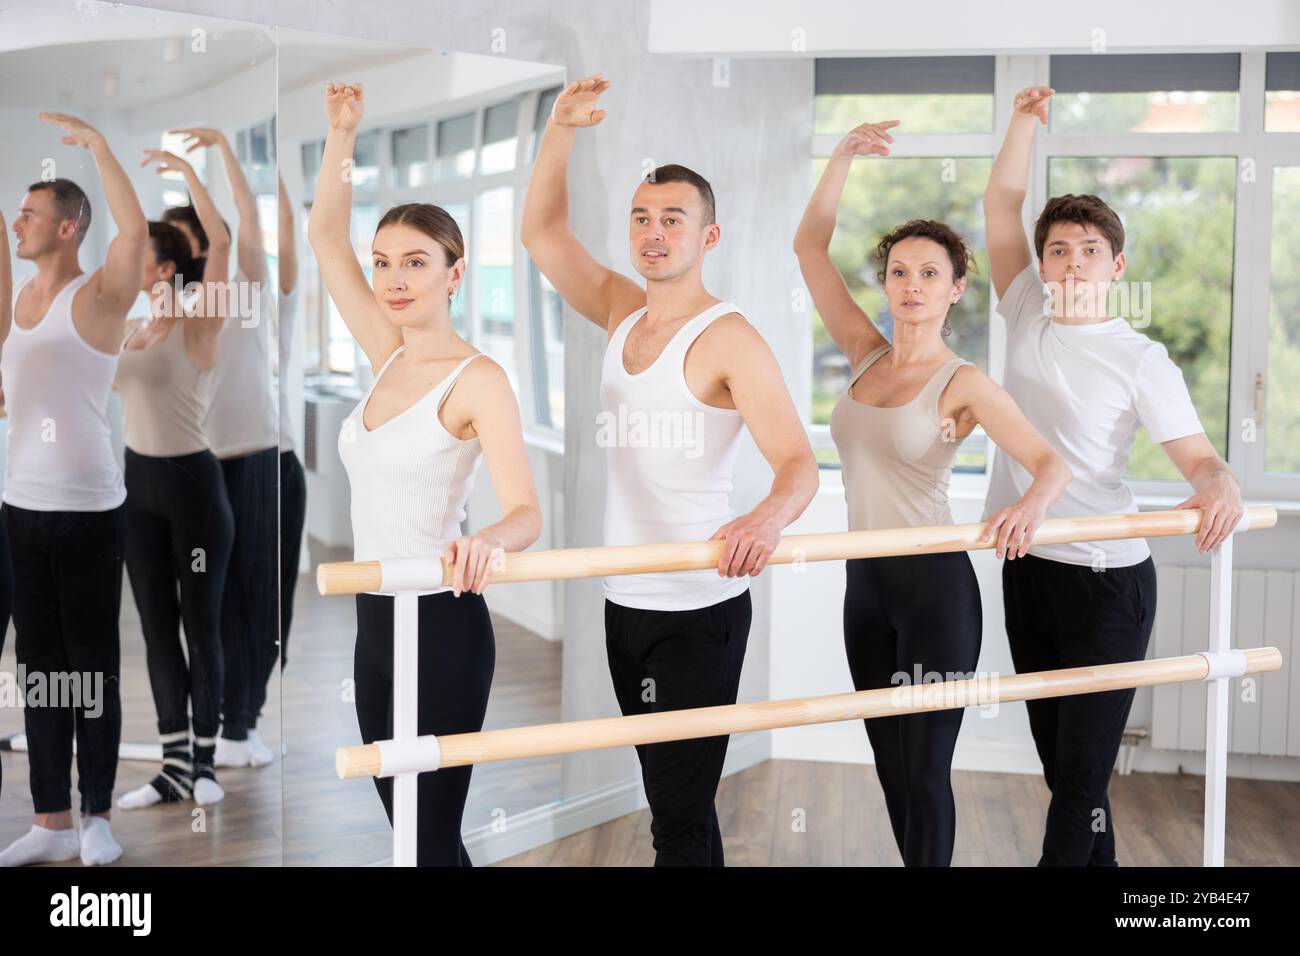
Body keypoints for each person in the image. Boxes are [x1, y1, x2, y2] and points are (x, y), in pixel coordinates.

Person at [522, 73, 820, 866]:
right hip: (626, 598)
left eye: (674, 220)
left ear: (708, 237)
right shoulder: (623, 310)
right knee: (670, 800)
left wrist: (765, 518)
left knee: (679, 815)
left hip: (700, 606)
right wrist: (560, 130)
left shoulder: (731, 338)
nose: (654, 232)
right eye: (641, 218)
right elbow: (544, 237)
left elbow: (798, 463)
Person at [795, 119, 1072, 866]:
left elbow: (1050, 464)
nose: (911, 287)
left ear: (957, 287)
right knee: (890, 768)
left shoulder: (965, 382)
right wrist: (842, 158)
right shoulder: (862, 353)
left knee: (924, 769)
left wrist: (1030, 507)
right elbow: (809, 251)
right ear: (885, 283)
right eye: (899, 273)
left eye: (929, 275)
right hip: (866, 592)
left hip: (935, 595)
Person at [983, 86, 1244, 866]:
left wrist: (1221, 481)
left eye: (1088, 250)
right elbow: (1000, 200)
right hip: (1029, 573)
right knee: (1068, 774)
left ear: (1116, 264)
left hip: (1106, 584)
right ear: (1041, 263)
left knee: (1079, 779)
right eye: (1057, 248)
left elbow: (1197, 455)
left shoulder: (1141, 358)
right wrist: (1025, 118)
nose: (1069, 261)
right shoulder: (1025, 304)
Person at [309, 82, 541, 866]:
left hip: (441, 627)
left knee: (431, 832)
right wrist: (343, 133)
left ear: (455, 273)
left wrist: (489, 545)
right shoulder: (387, 356)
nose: (394, 278)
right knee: (407, 833)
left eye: (415, 262)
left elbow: (524, 512)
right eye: (384, 264)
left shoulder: (478, 379)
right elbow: (324, 238)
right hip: (374, 625)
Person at [0, 112, 148, 867]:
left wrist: (99, 145)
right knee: (40, 667)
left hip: (90, 510)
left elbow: (133, 236)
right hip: (20, 508)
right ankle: (50, 818)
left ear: (66, 229)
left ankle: (97, 816)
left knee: (89, 666)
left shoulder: (96, 297)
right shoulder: (16, 298)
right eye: (18, 214)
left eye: (31, 214)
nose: (19, 221)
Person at [113, 148, 234, 809]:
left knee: (200, 626)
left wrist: (187, 173)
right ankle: (172, 766)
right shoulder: (127, 331)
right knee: (158, 631)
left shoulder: (199, 320)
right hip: (137, 492)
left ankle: (207, 765)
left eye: (137, 254)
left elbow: (221, 240)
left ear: (163, 266)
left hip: (192, 490)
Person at [167, 126, 278, 769]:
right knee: (206, 604)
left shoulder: (246, 286)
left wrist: (209, 159)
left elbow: (245, 221)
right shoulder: (172, 304)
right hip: (196, 465)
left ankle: (243, 723)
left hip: (256, 456)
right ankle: (206, 726)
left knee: (256, 598)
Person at [276, 175, 307, 682]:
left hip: (275, 465)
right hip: (211, 469)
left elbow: (289, 238)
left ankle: (248, 714)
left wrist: (276, 173)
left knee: (269, 598)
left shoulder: (266, 308)